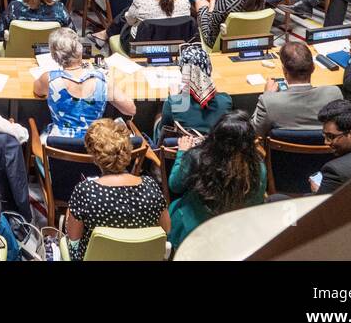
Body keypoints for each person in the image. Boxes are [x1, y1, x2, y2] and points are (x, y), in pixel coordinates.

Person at [62, 119, 168, 261]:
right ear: (128, 151)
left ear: (95, 156)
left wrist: (71, 210)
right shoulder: (151, 187)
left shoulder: (85, 192)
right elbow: (165, 229)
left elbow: (73, 237)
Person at [167, 110, 265, 249]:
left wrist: (182, 154)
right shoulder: (259, 167)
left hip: (191, 232)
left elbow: (175, 185)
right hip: (237, 236)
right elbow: (256, 202)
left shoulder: (196, 158)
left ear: (215, 136)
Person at [32, 29, 135, 137]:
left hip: (58, 147)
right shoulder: (102, 79)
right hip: (94, 145)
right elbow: (130, 110)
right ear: (80, 50)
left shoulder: (48, 79)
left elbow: (37, 91)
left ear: (54, 56)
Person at [252, 41, 343, 137]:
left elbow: (255, 131)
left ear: (284, 71)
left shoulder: (268, 101)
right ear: (313, 68)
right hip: (328, 151)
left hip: (282, 152)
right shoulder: (334, 94)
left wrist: (267, 94)